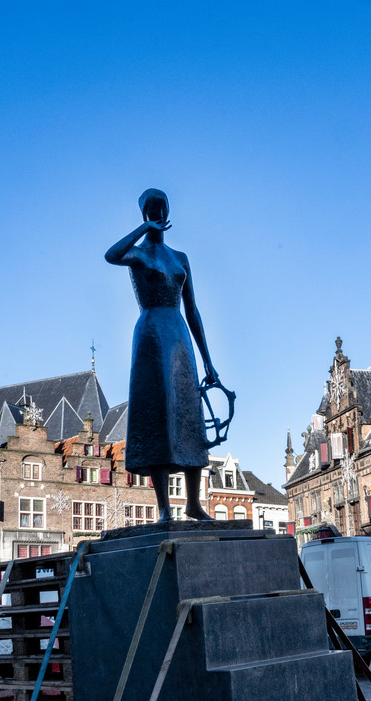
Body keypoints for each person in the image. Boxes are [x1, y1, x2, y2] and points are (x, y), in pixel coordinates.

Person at [106, 188, 219, 522]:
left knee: (188, 415)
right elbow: (112, 255)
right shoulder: (138, 254)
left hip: (180, 335)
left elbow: (193, 310)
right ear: (144, 214)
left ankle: (194, 503)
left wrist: (209, 360)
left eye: (162, 208)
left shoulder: (181, 258)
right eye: (151, 209)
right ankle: (165, 508)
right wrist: (143, 230)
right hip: (151, 334)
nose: (158, 213)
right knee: (157, 415)